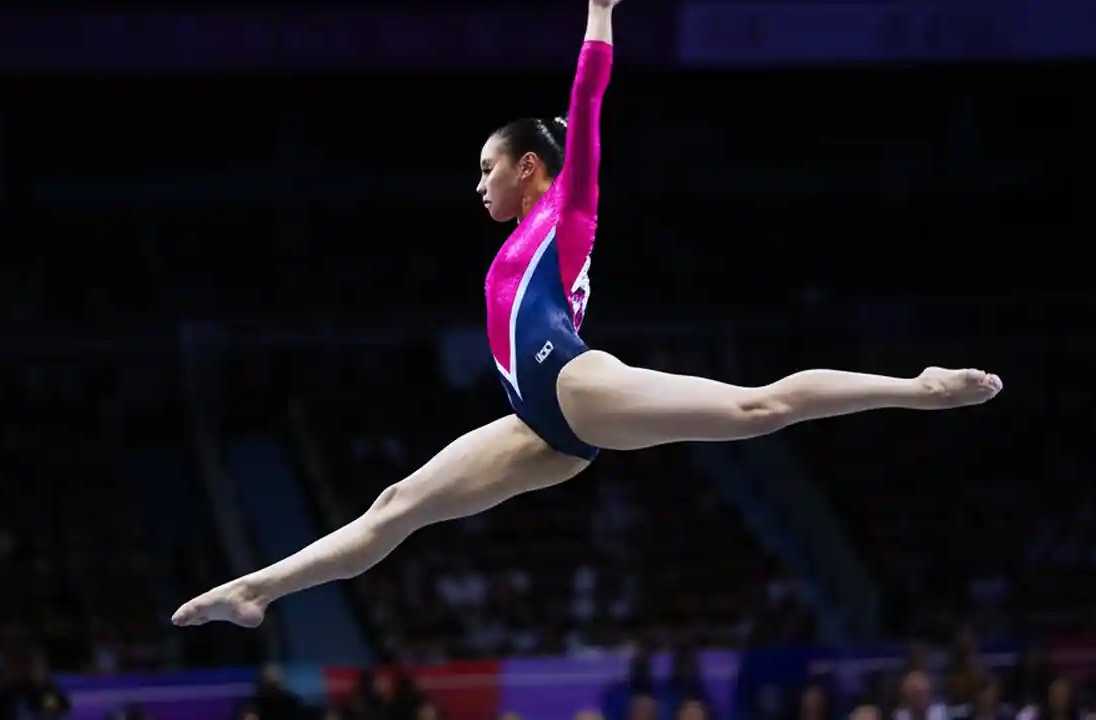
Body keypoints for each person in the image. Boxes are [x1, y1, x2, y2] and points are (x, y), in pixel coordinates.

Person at [171, 0, 1002, 629]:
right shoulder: (524, 232)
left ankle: (919, 385)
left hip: (573, 387)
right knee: (395, 505)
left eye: (488, 169)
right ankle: (258, 591)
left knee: (757, 406)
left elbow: (588, 99)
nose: (479, 184)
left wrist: (600, 12)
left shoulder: (568, 213)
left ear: (530, 166)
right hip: (538, 426)